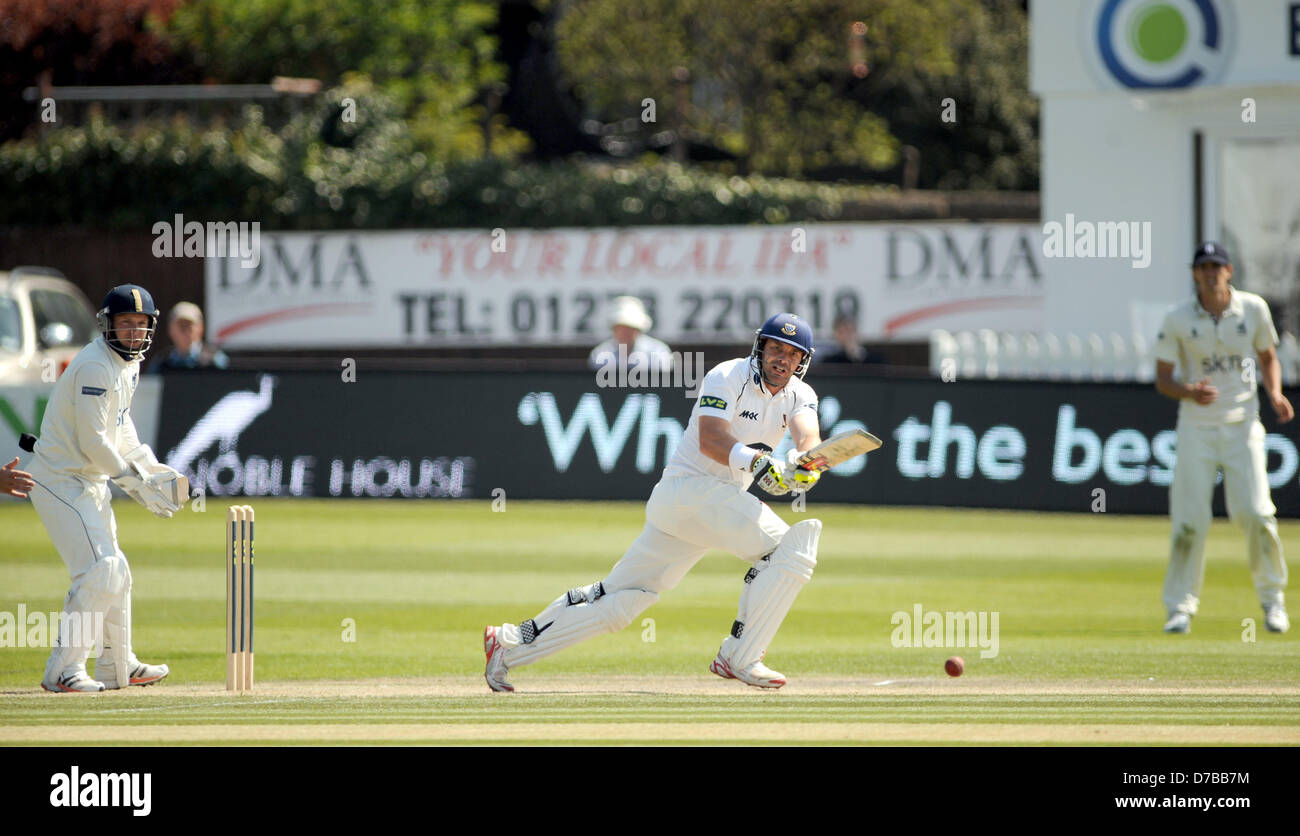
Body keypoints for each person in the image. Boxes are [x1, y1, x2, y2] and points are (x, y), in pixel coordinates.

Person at [486, 312, 824, 691]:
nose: (782, 358)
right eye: (776, 348)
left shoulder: (801, 394)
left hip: (706, 510)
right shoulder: (727, 376)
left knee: (622, 600)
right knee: (792, 549)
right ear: (761, 347)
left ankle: (508, 645)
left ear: (802, 361)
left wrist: (807, 464)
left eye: (792, 354)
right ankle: (740, 656)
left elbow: (807, 436)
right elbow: (711, 439)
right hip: (687, 492)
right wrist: (761, 464)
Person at [26, 284, 185, 692]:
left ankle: (118, 665)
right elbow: (94, 441)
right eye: (125, 323)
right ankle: (63, 670)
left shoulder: (127, 364)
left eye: (141, 324)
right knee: (102, 570)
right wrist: (135, 483)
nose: (134, 332)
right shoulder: (96, 365)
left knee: (119, 572)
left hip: (89, 480)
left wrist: (149, 468)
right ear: (107, 324)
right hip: (60, 478)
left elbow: (120, 427)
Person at [1154, 241, 1292, 635]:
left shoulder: (1253, 309)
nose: (1211, 273)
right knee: (1188, 523)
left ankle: (1272, 601)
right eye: (1204, 267)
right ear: (1195, 273)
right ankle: (1179, 608)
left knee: (1256, 515)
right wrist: (1190, 391)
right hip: (1196, 427)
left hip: (1243, 425)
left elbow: (1268, 356)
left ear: (1229, 270)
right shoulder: (1177, 318)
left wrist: (1275, 393)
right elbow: (1163, 379)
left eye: (1217, 266)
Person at [588, 296, 673, 375]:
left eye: (630, 327)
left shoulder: (659, 352)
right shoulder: (599, 353)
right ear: (614, 329)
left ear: (638, 329)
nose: (625, 332)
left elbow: (664, 385)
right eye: (621, 327)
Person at [147, 301, 229, 373]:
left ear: (200, 328)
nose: (186, 330)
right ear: (171, 329)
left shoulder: (214, 359)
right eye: (181, 325)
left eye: (189, 325)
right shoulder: (161, 362)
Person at [819, 313, 885, 365]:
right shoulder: (829, 362)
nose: (846, 336)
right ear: (836, 336)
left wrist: (856, 356)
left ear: (857, 333)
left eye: (849, 331)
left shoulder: (876, 360)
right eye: (841, 332)